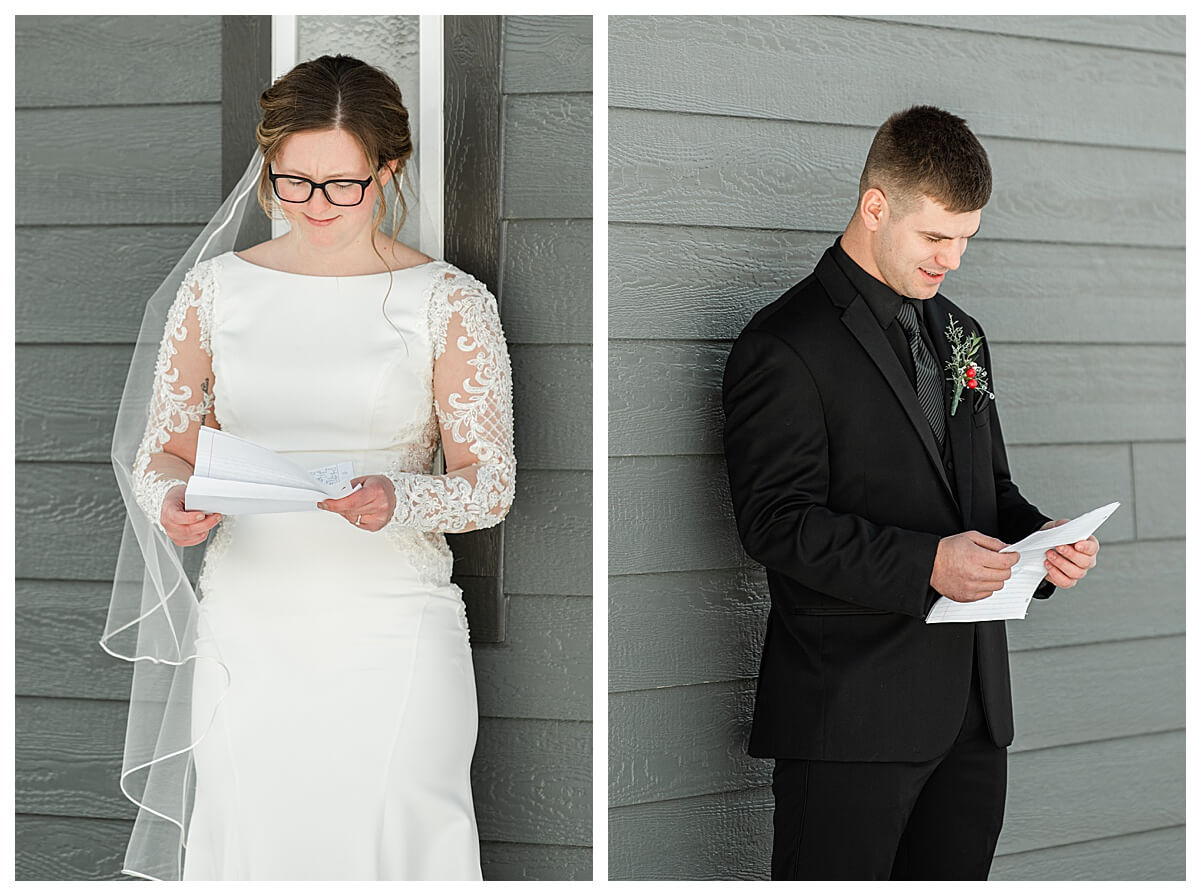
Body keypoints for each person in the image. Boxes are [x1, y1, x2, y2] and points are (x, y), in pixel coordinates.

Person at [102, 54, 514, 880]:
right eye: (294, 181)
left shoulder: (448, 301)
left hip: (390, 627)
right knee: (252, 837)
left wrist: (398, 497)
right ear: (269, 168)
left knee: (394, 834)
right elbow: (163, 451)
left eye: (341, 184)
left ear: (387, 170)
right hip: (251, 627)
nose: (315, 205)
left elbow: (489, 484)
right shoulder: (216, 291)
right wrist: (171, 498)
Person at [721, 105, 1099, 881]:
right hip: (848, 719)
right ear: (873, 206)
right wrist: (926, 563)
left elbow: (987, 491)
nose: (951, 261)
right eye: (935, 238)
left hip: (973, 716)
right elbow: (774, 523)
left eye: (964, 239)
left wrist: (1043, 541)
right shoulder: (782, 343)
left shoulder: (961, 335)